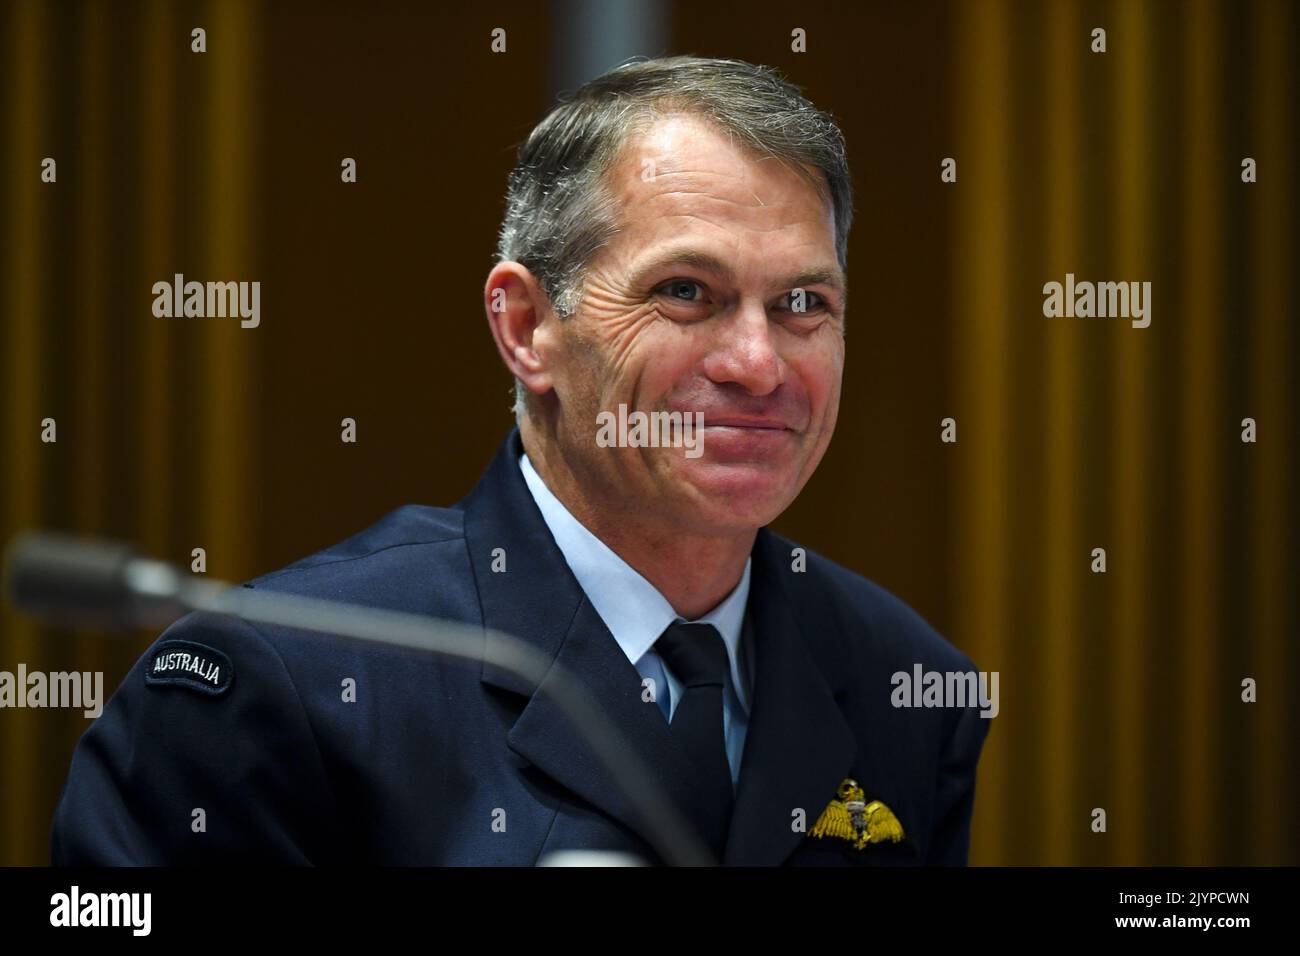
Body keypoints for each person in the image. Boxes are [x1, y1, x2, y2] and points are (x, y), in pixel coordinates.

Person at [51, 55, 990, 866]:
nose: (756, 363)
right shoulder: (287, 680)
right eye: (686, 291)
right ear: (528, 327)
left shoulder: (902, 682)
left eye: (803, 305)